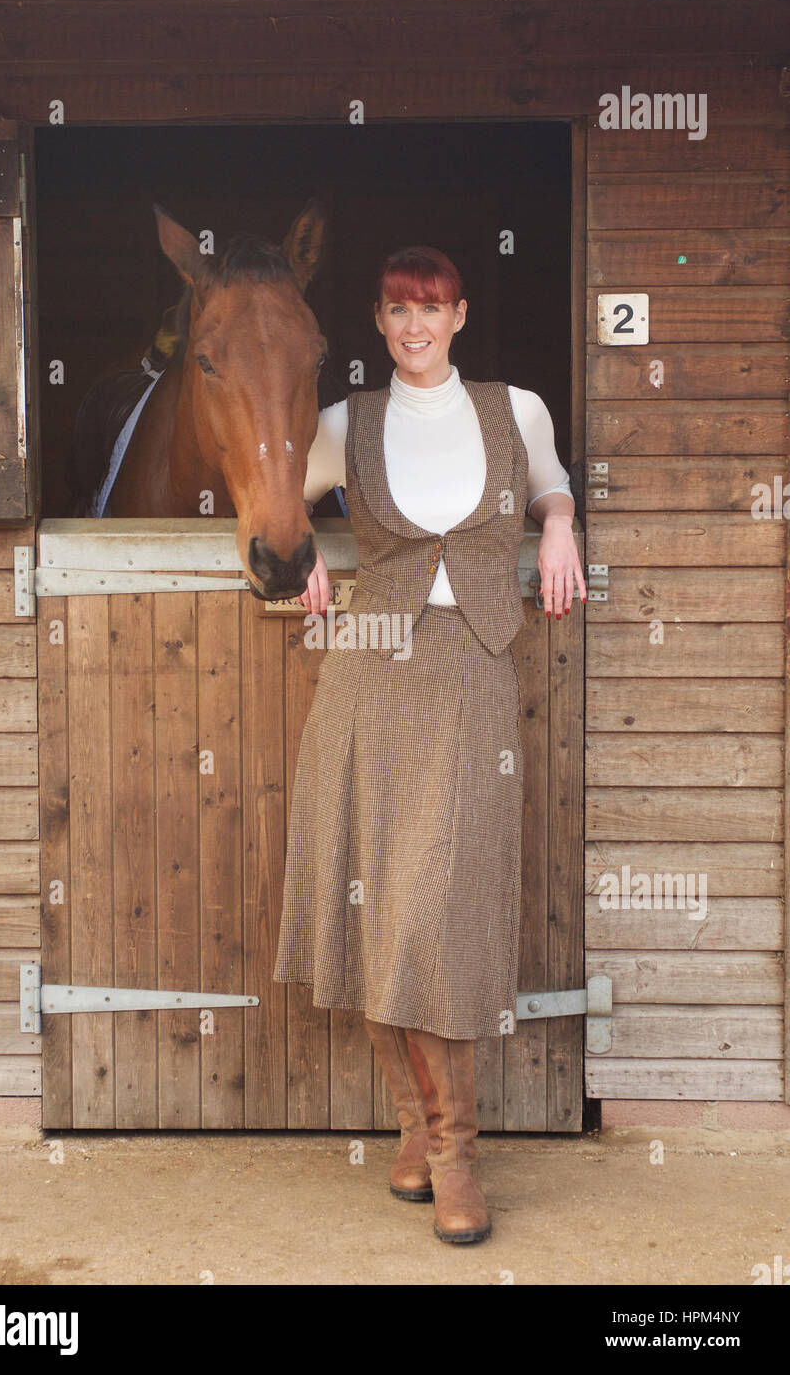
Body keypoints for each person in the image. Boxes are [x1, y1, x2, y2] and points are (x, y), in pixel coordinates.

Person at [273, 246, 587, 1244]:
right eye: (398, 312)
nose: (415, 326)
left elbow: (549, 484)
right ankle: (414, 1129)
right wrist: (307, 558)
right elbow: (269, 501)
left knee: (434, 910)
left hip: (470, 667)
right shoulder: (342, 423)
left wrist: (557, 525)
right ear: (377, 320)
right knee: (365, 898)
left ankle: (457, 1150)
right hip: (366, 670)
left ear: (458, 317)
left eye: (432, 309)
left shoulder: (516, 410)